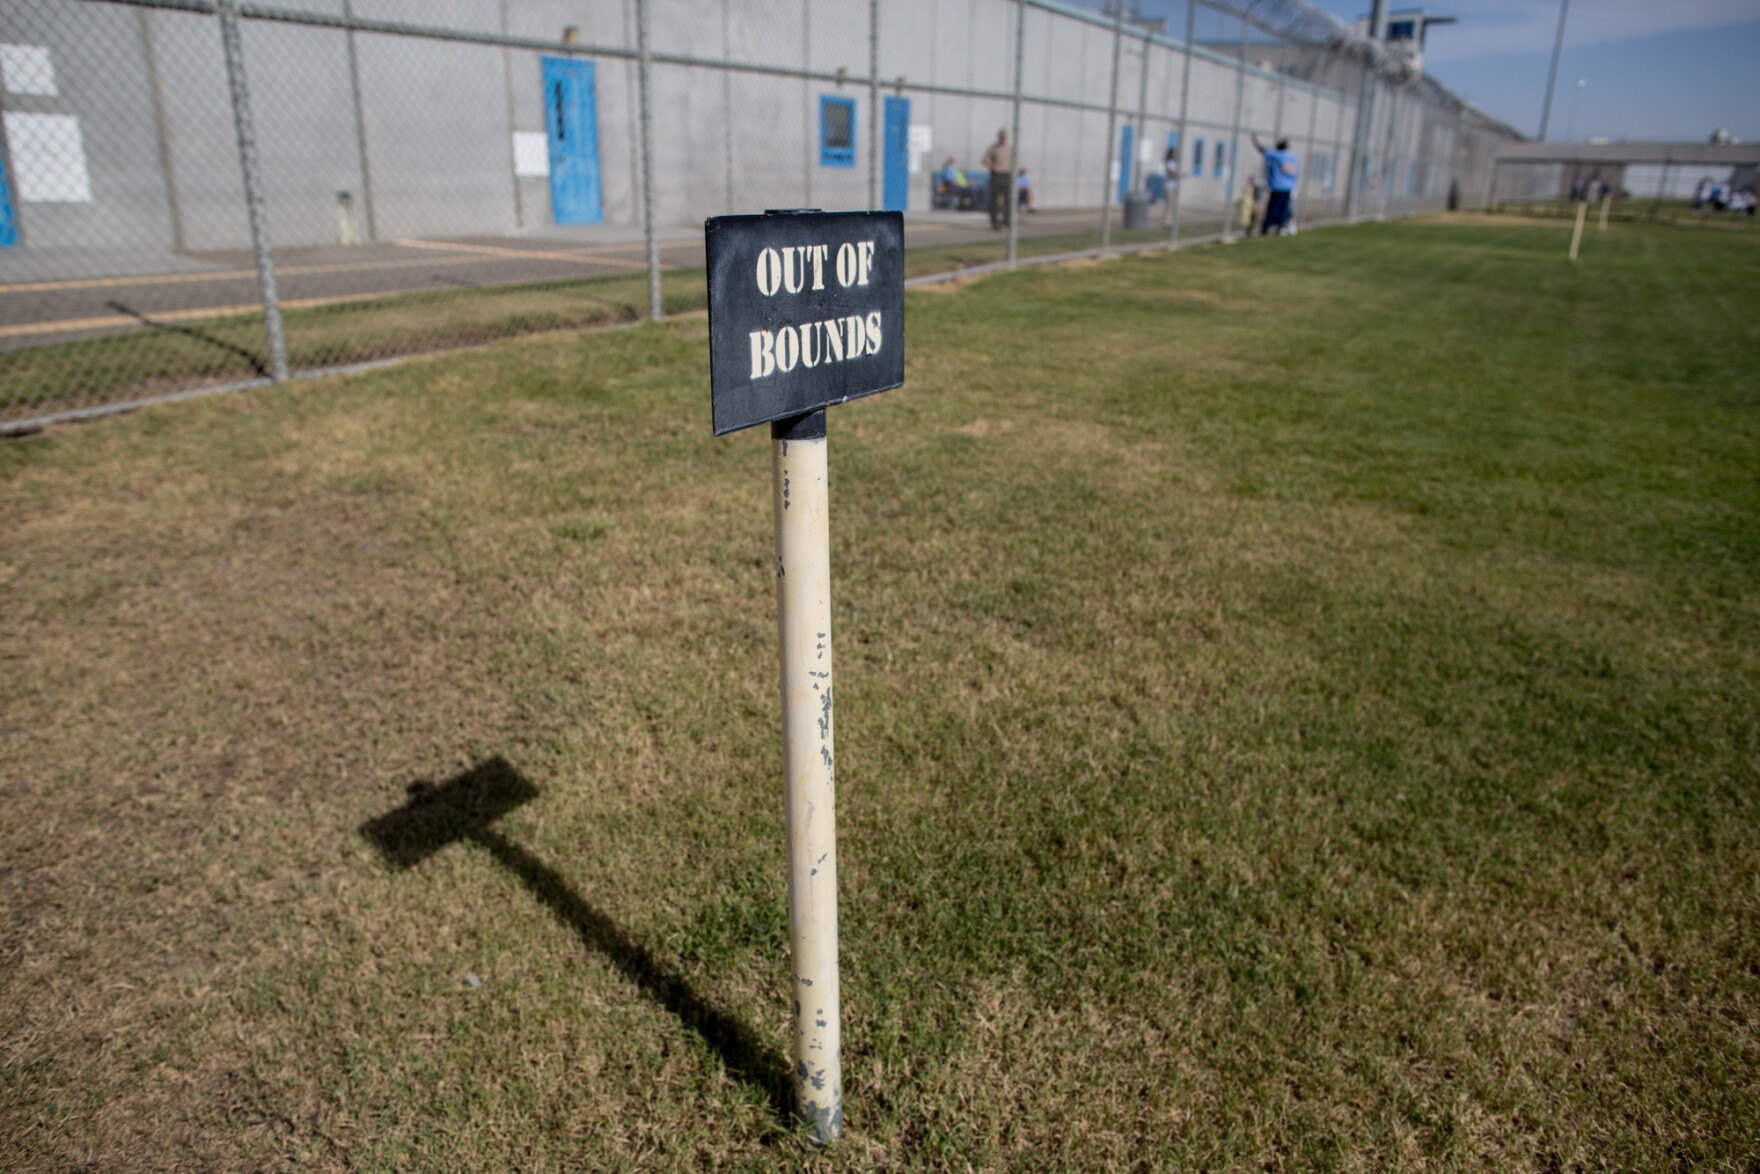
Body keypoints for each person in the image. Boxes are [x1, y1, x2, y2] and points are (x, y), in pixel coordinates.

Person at [1251, 133, 1300, 236]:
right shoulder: (1292, 157)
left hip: (1278, 187)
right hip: (1289, 187)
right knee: (1284, 208)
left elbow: (1263, 151)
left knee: (1273, 208)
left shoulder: (1277, 156)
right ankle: (1281, 226)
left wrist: (1254, 141)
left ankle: (1267, 227)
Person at [981, 128, 1014, 231]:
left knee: (1008, 200)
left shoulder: (1009, 149)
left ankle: (1006, 220)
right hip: (996, 176)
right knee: (995, 200)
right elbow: (984, 161)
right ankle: (995, 222)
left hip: (1007, 175)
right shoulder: (993, 148)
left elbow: (1014, 161)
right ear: (998, 137)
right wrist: (994, 166)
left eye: (1005, 138)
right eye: (1001, 137)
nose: (1003, 139)